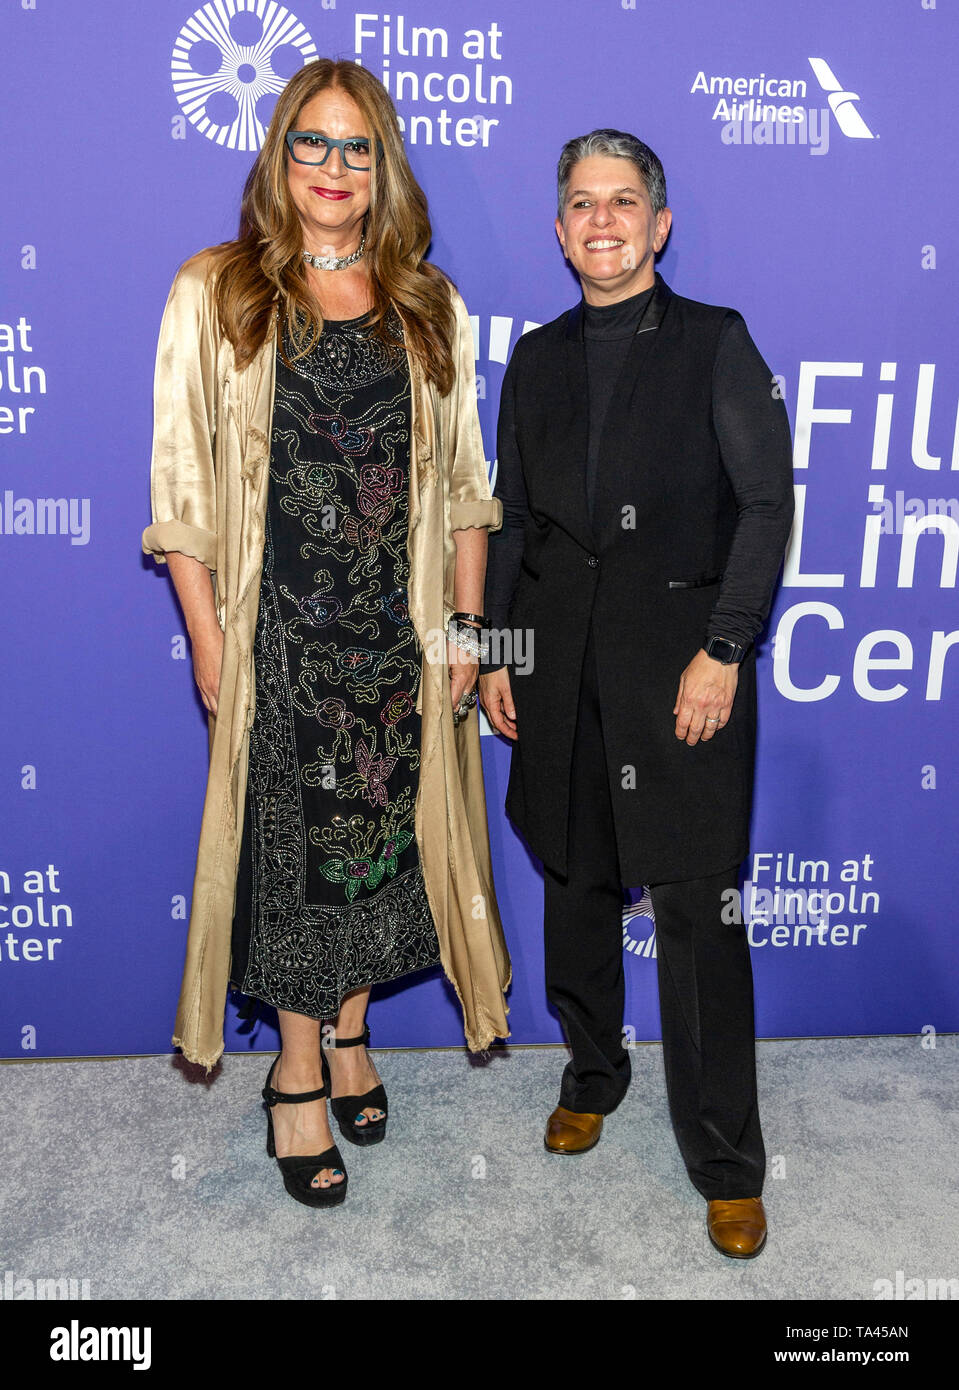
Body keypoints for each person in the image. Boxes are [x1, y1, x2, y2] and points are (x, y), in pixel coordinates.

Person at [143, 59, 510, 1208]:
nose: (334, 167)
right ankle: (295, 1072)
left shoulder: (428, 303)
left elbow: (466, 485)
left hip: (399, 642)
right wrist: (208, 639)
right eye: (313, 142)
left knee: (382, 856)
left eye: (357, 147)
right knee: (296, 869)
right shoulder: (217, 291)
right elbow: (181, 487)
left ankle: (351, 1035)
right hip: (280, 647)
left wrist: (467, 627)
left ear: (382, 164)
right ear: (280, 155)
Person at [480, 129, 794, 1257]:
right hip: (558, 664)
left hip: (681, 675)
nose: (601, 219)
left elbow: (763, 505)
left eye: (623, 200)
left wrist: (724, 648)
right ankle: (591, 1071)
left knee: (697, 914)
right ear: (560, 230)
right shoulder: (536, 358)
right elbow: (513, 519)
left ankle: (725, 1160)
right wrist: (499, 650)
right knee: (574, 882)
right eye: (581, 202)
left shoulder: (714, 341)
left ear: (658, 225)